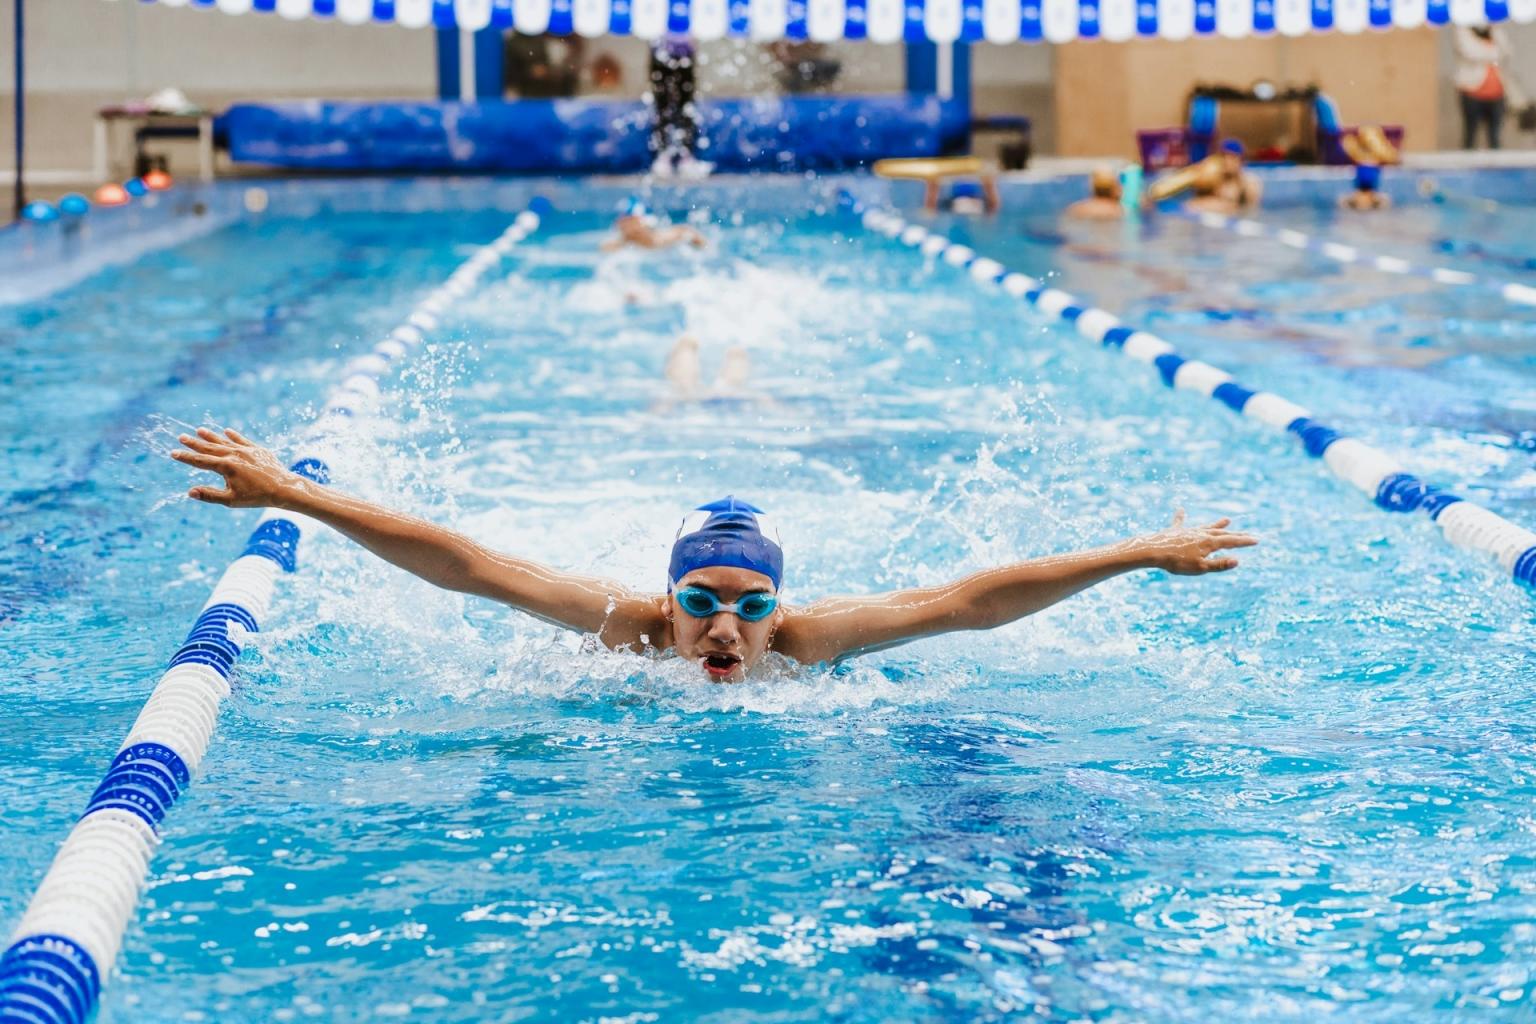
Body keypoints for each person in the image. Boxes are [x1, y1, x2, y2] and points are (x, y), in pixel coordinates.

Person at [171, 427, 1258, 684]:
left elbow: (971, 602)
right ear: (668, 596)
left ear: (780, 607)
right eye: (700, 599)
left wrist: (1137, 551)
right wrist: (293, 494)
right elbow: (466, 564)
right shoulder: (630, 624)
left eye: (746, 603)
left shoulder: (811, 639)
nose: (722, 626)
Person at [648, 34, 711, 179]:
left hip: (685, 52)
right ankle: (662, 155)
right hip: (660, 52)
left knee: (686, 107)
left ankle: (686, 156)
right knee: (662, 106)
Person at [1455, 24, 1512, 150]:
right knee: (1470, 135)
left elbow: (1506, 50)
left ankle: (1497, 168)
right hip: (1472, 93)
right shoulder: (1464, 28)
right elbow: (1470, 52)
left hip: (1497, 95)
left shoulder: (1494, 30)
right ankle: (1467, 167)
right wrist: (1493, 52)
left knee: (1495, 137)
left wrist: (1494, 28)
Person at [600, 200, 706, 252]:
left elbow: (683, 231)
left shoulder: (649, 225)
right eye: (620, 221)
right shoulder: (627, 237)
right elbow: (606, 248)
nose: (619, 224)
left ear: (636, 220)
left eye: (624, 221)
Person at [1214, 139, 1262, 211]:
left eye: (1232, 158)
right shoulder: (1215, 180)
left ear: (1241, 160)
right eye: (1223, 157)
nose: (1227, 162)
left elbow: (1252, 210)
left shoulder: (1250, 183)